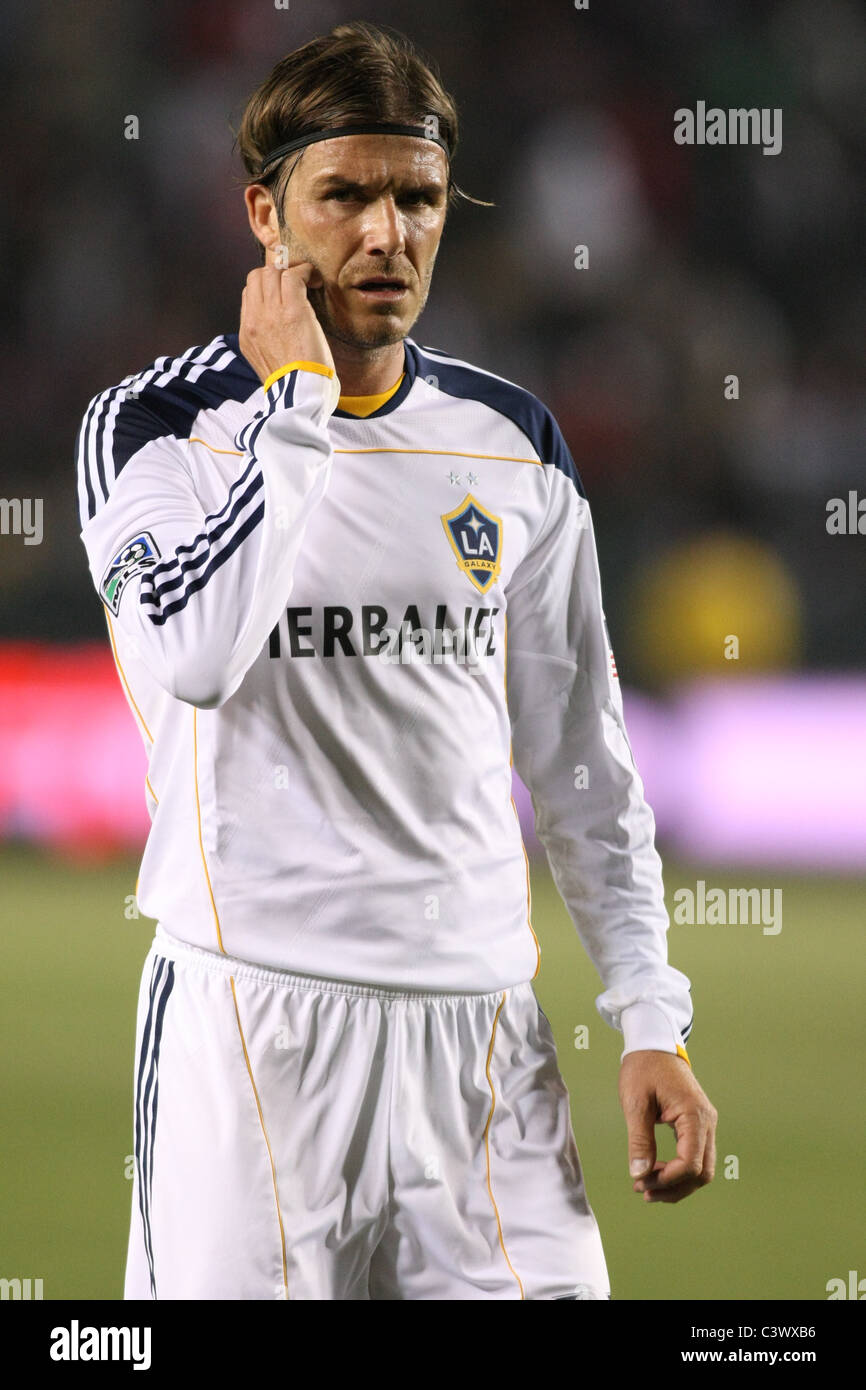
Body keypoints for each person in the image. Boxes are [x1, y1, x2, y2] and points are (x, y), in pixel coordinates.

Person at [75, 20, 716, 1301]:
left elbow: (584, 765)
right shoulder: (152, 428)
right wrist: (300, 418)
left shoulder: (509, 444)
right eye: (345, 196)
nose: (387, 234)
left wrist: (650, 1014)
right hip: (250, 1028)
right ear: (265, 212)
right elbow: (196, 654)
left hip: (481, 1041)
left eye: (417, 197)